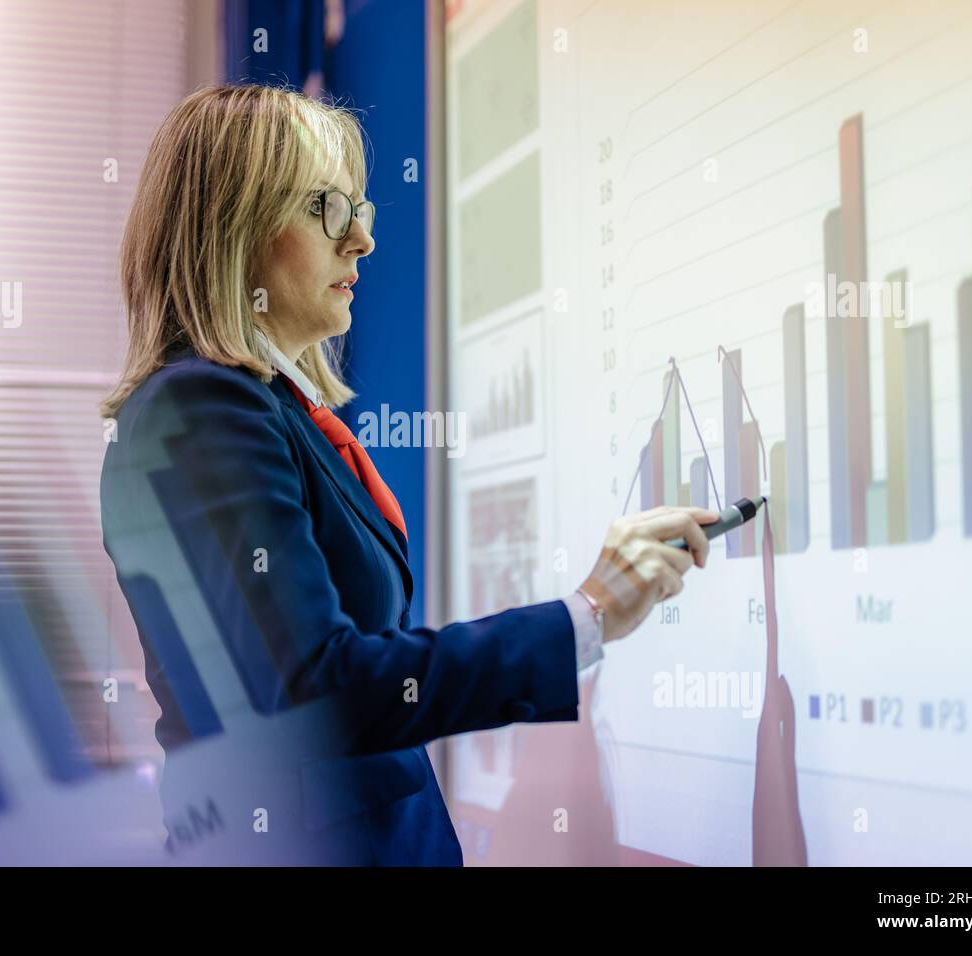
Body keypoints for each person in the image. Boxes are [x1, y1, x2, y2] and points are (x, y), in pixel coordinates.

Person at [99, 83, 718, 865]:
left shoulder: (265, 409)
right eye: (326, 207)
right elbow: (318, 690)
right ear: (236, 228)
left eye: (360, 210)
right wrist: (584, 615)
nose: (361, 240)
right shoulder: (200, 412)